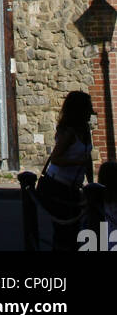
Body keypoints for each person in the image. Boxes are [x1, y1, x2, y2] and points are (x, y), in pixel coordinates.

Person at [38, 91, 94, 251]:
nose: (91, 111)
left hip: (73, 187)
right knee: (65, 232)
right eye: (88, 107)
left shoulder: (85, 130)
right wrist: (77, 162)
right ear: (80, 110)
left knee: (74, 232)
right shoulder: (69, 133)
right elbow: (56, 159)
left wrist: (90, 184)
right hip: (57, 186)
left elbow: (87, 158)